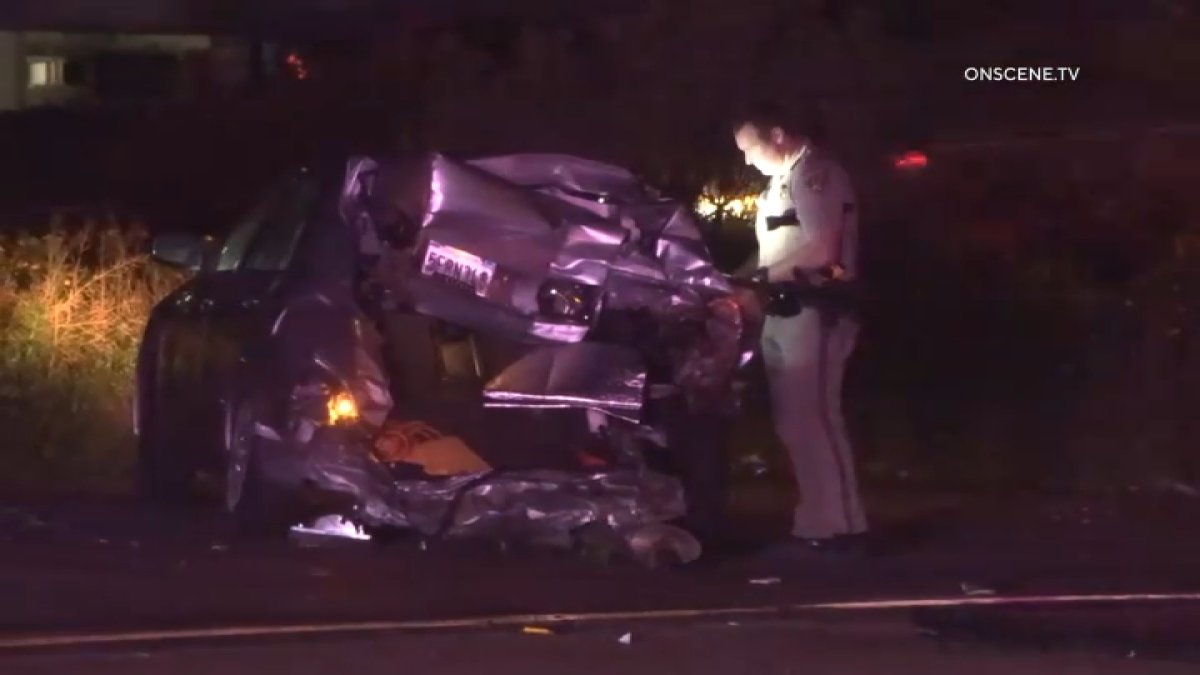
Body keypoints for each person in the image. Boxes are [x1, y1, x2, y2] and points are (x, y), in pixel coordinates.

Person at [731, 103, 870, 557]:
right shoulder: (781, 184)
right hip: (787, 309)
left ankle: (838, 530)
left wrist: (757, 282)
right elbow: (776, 252)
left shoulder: (817, 175)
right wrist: (736, 283)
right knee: (796, 419)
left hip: (815, 308)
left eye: (750, 148)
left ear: (776, 135)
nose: (747, 160)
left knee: (813, 416)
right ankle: (820, 522)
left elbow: (822, 249)